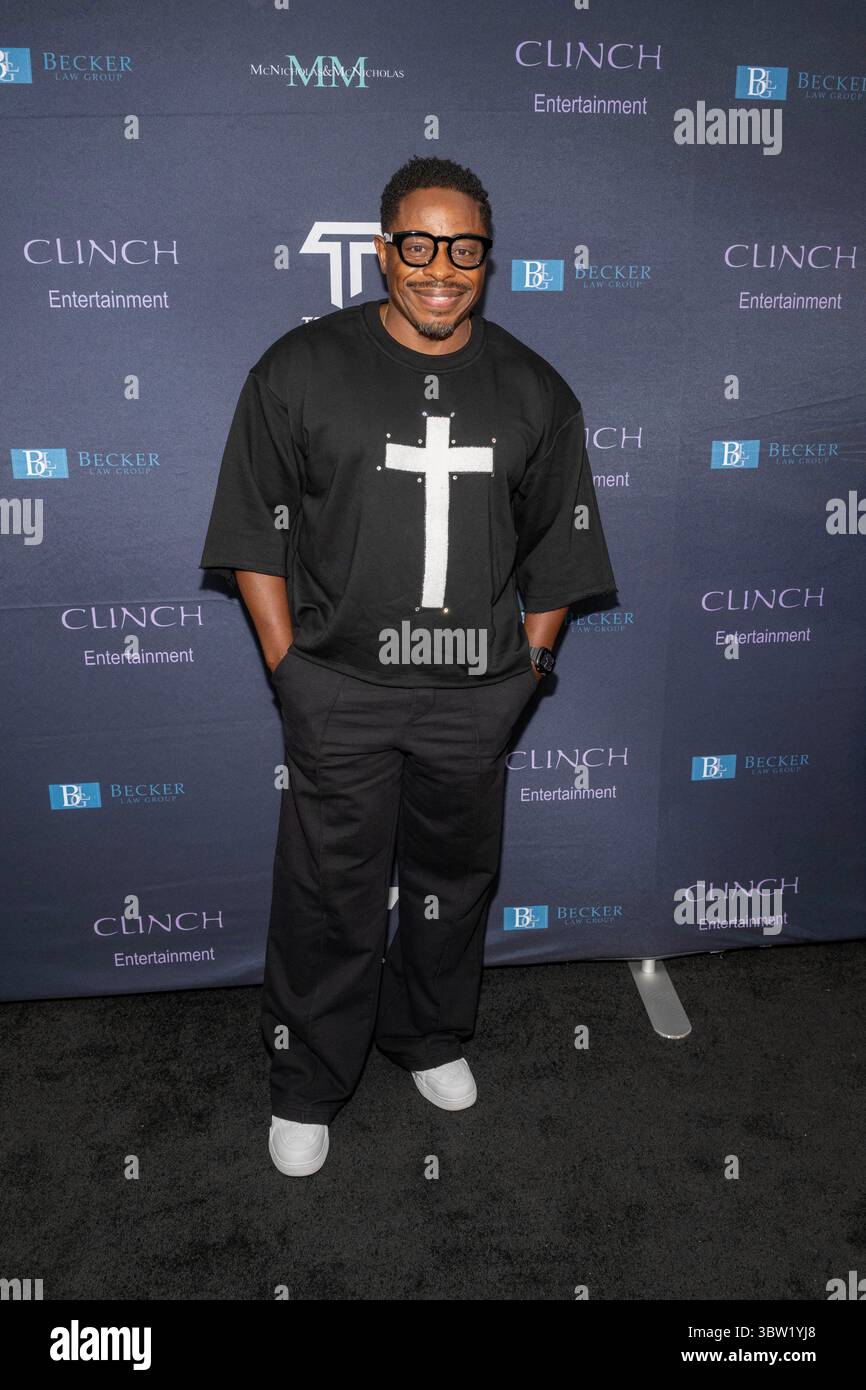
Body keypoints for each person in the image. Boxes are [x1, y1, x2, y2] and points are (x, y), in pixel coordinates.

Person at [199, 154, 617, 1176]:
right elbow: (253, 533)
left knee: (451, 881)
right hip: (337, 684)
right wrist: (288, 664)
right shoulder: (297, 369)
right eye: (418, 245)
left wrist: (529, 664)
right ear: (384, 250)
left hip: (475, 694)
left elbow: (560, 548)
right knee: (326, 890)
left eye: (462, 248)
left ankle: (428, 1033)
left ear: (486, 259)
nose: (440, 267)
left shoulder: (532, 389)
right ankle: (306, 1080)